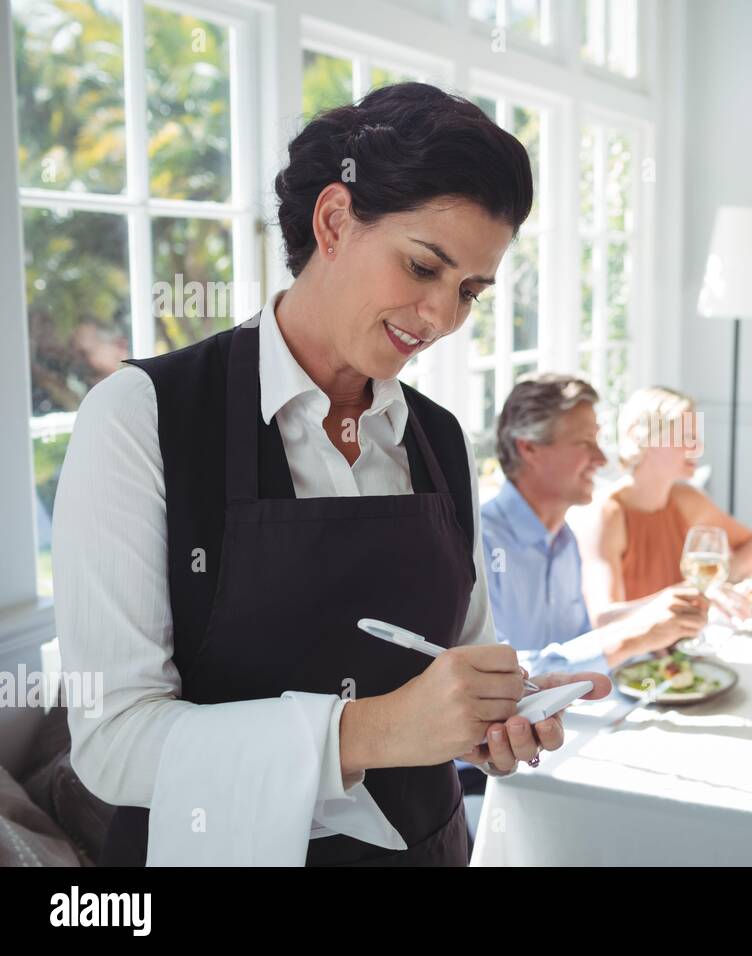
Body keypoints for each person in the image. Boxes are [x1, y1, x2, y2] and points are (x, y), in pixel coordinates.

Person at [54, 83, 608, 867]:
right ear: (335, 220)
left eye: (469, 292)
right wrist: (377, 730)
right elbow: (112, 741)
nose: (443, 316)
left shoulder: (440, 438)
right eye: (424, 266)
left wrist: (496, 719)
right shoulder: (141, 418)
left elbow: (462, 654)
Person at [481, 374, 712, 674]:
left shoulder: (564, 539)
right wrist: (633, 638)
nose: (601, 458)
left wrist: (662, 609)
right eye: (584, 443)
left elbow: (581, 639)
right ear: (529, 448)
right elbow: (499, 677)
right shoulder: (481, 546)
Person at [576, 386, 752, 623]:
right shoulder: (606, 514)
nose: (697, 447)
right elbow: (605, 620)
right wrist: (689, 594)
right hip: (637, 658)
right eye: (685, 436)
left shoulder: (685, 500)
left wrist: (714, 585)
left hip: (684, 644)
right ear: (643, 438)